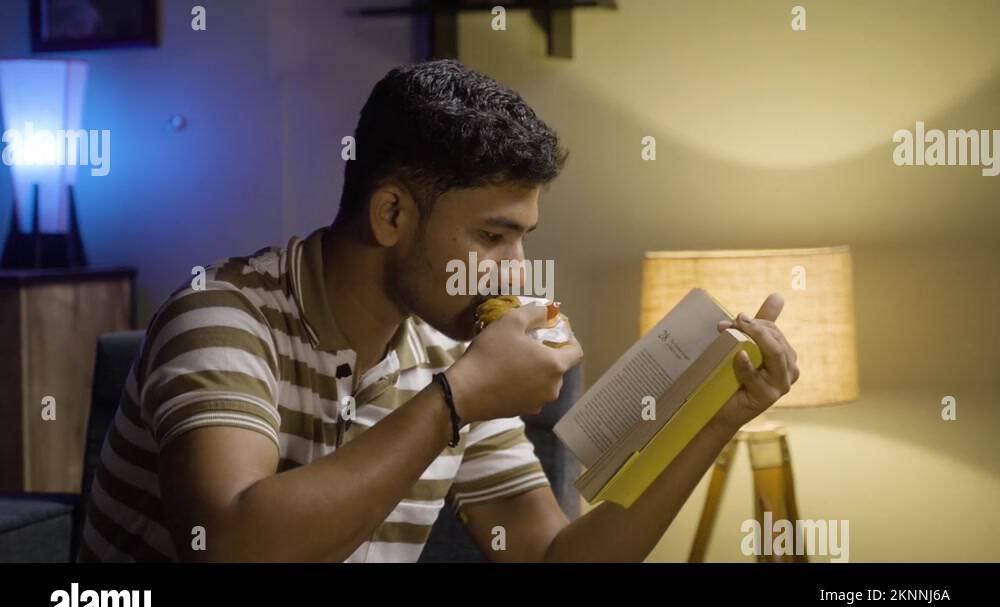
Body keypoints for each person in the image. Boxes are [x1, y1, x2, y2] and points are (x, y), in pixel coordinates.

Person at [80, 59, 799, 563]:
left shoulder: (448, 352)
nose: (515, 272)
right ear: (392, 212)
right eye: (493, 236)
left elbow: (553, 557)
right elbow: (232, 547)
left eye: (523, 238)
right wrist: (455, 402)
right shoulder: (221, 317)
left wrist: (716, 419)